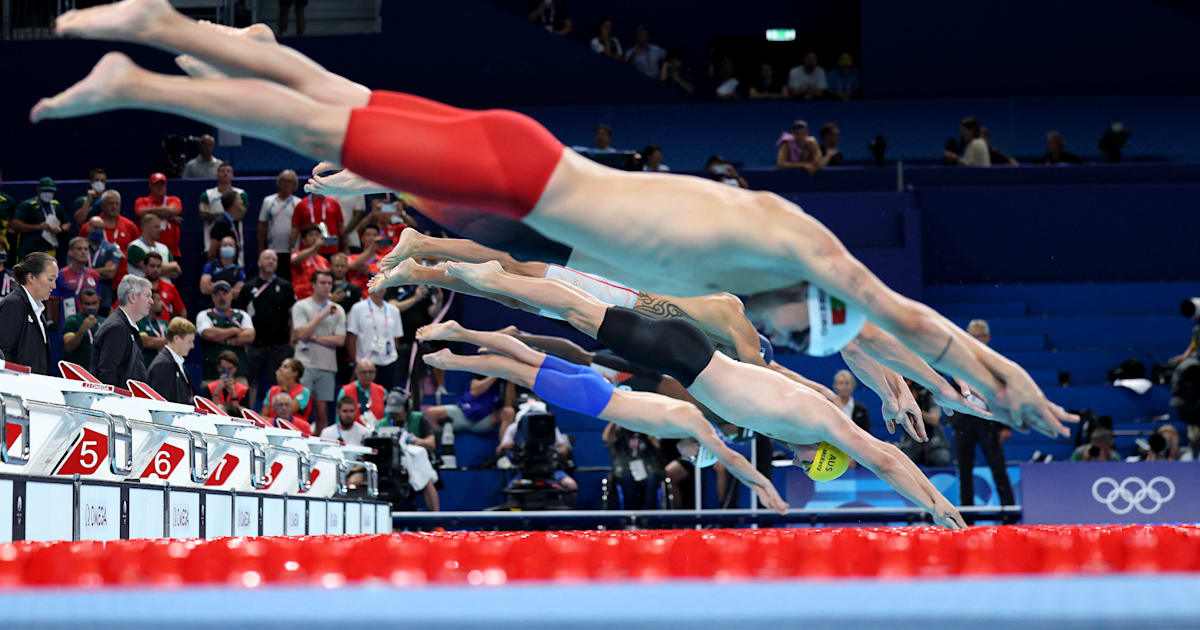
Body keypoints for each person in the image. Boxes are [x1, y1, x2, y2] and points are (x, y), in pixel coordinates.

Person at [39, 0, 1074, 438]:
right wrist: (1005, 387)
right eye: (802, 331)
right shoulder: (794, 248)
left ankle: (255, 49)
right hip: (526, 175)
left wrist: (917, 381)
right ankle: (148, 57)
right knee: (311, 120)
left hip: (524, 216)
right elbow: (909, 321)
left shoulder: (762, 288)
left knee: (336, 101)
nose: (784, 338)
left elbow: (886, 338)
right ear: (806, 300)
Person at [418, 261, 965, 526]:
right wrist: (935, 505)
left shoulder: (802, 419)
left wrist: (893, 400)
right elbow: (884, 458)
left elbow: (877, 431)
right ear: (820, 454)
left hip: (686, 354)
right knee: (574, 309)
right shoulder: (821, 423)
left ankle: (491, 282)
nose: (796, 464)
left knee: (575, 314)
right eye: (806, 465)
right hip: (682, 355)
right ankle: (490, 277)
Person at [420, 321, 792, 514]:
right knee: (513, 369)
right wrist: (764, 485)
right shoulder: (694, 423)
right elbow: (731, 457)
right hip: (595, 399)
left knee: (528, 357)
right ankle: (454, 359)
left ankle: (461, 332)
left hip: (597, 385)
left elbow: (726, 450)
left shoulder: (687, 414)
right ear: (698, 447)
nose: (688, 457)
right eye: (695, 457)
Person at [950, 319, 1014, 508]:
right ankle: (967, 514)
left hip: (988, 422)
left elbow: (1004, 394)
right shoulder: (957, 359)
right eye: (972, 336)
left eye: (980, 336)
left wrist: (1006, 425)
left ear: (988, 337)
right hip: (964, 421)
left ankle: (1009, 512)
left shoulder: (996, 362)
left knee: (998, 467)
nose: (976, 340)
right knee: (964, 470)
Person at [234, 249, 294, 408]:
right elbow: (240, 316)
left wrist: (293, 339)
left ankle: (278, 416)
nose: (271, 261)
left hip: (280, 345)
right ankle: (247, 414)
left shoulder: (285, 286)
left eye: (274, 259)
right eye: (267, 258)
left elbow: (291, 314)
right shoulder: (248, 287)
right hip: (254, 345)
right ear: (259, 262)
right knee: (250, 383)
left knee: (281, 383)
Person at [291, 270, 346, 432]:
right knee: (299, 409)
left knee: (322, 413)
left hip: (327, 365)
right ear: (313, 285)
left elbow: (340, 340)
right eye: (322, 283)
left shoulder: (338, 309)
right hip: (303, 364)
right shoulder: (301, 306)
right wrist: (322, 315)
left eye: (329, 283)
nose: (326, 286)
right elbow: (301, 334)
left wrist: (314, 338)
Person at [378, 389, 440, 511]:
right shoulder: (381, 424)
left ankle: (437, 518)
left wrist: (418, 441)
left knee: (426, 476)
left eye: (397, 411)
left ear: (406, 407)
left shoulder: (419, 418)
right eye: (391, 411)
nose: (394, 415)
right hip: (391, 462)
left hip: (417, 462)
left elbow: (432, 443)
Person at [0, 252, 58, 374]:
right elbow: (3, 353)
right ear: (31, 277)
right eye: (50, 279)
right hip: (16, 384)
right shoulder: (14, 304)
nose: (54, 286)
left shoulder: (38, 311)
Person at [91, 274, 152, 387]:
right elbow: (108, 375)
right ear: (132, 297)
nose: (151, 301)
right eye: (147, 296)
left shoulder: (125, 326)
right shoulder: (117, 328)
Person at [195, 279, 255, 381]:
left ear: (232, 295)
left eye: (225, 293)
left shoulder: (242, 315)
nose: (221, 297)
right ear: (213, 297)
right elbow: (208, 334)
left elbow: (250, 336)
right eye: (217, 294)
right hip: (212, 373)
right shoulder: (204, 314)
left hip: (239, 373)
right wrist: (234, 331)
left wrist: (221, 337)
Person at [345, 289, 404, 389]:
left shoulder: (393, 310)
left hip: (389, 362)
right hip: (366, 364)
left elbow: (396, 338)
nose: (380, 289)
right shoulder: (358, 308)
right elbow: (351, 338)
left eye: (383, 286)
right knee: (365, 396)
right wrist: (356, 363)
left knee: (389, 396)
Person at [602, 421, 667, 509]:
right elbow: (606, 438)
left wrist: (648, 430)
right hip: (625, 468)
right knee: (626, 478)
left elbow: (658, 446)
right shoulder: (619, 431)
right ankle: (631, 513)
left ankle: (649, 513)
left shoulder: (647, 429)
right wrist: (615, 419)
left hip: (648, 469)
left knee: (653, 479)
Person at [11, 177, 70, 260]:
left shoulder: (56, 205)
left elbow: (67, 223)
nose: (48, 193)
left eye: (51, 191)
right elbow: (15, 224)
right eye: (45, 190)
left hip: (50, 249)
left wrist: (60, 229)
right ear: (38, 190)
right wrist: (37, 227)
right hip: (29, 250)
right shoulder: (28, 205)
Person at [257, 168, 299, 280]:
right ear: (279, 182)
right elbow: (262, 227)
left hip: (293, 252)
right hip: (273, 251)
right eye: (284, 180)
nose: (286, 183)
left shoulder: (298, 203)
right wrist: (261, 250)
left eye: (290, 181)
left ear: (294, 185)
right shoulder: (268, 201)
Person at [899, 380, 952, 466]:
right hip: (911, 444)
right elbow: (894, 424)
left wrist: (916, 410)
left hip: (933, 441)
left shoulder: (929, 396)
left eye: (911, 391)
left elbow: (935, 420)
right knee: (902, 460)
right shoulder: (901, 400)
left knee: (942, 458)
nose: (909, 395)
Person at [198, 162, 247, 252]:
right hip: (212, 239)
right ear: (217, 175)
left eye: (228, 171)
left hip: (234, 238)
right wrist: (226, 216)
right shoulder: (207, 194)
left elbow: (240, 215)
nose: (225, 173)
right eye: (222, 171)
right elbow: (204, 215)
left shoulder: (241, 194)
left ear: (233, 175)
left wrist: (215, 216)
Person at [147, 316, 197, 404]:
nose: (192, 346)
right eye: (189, 341)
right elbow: (161, 404)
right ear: (176, 338)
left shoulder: (175, 362)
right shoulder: (163, 365)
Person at [133, 172, 183, 257]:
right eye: (156, 185)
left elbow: (173, 210)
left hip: (171, 251)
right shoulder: (142, 201)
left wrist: (150, 212)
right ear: (150, 186)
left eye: (162, 184)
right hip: (148, 251)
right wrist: (169, 217)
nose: (160, 187)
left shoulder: (173, 200)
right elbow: (140, 213)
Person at [126, 211, 181, 279]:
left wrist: (170, 268)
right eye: (156, 227)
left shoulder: (164, 248)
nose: (160, 230)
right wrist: (171, 266)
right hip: (141, 285)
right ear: (145, 228)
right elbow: (148, 270)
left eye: (160, 227)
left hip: (165, 285)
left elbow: (175, 273)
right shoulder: (134, 247)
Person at [82, 216, 121, 311]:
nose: (99, 231)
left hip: (104, 297)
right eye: (96, 228)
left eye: (101, 229)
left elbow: (111, 273)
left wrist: (86, 271)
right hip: (82, 294)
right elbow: (75, 270)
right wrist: (103, 270)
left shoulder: (111, 248)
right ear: (88, 228)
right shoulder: (79, 246)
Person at [53, 237, 102, 310]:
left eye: (86, 249)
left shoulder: (94, 275)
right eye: (79, 249)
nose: (83, 252)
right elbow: (53, 302)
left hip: (89, 316)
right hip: (67, 316)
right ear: (70, 252)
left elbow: (97, 300)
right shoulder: (61, 274)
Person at [62, 287, 104, 368]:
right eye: (87, 304)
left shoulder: (105, 322)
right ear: (80, 304)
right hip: (78, 370)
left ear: (99, 302)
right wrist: (82, 329)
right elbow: (68, 347)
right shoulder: (72, 321)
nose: (91, 307)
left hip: (99, 370)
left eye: (94, 303)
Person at [291, 192, 343, 258]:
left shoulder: (334, 203)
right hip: (308, 250)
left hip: (331, 248)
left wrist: (345, 247)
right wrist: (292, 246)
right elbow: (295, 227)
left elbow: (340, 226)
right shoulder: (302, 204)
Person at [337, 358, 386, 426]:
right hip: (352, 430)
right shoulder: (345, 391)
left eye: (370, 372)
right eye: (364, 372)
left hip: (378, 430)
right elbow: (338, 418)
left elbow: (387, 417)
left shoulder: (382, 391)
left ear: (375, 373)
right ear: (356, 373)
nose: (367, 375)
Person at [264, 357, 312, 425]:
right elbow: (264, 415)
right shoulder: (272, 390)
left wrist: (283, 387)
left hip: (295, 427)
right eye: (281, 366)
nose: (280, 369)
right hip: (273, 426)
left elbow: (285, 413)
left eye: (285, 367)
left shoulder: (304, 391)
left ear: (295, 373)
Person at [208, 187, 248, 265]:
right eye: (239, 199)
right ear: (234, 203)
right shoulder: (221, 223)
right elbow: (212, 253)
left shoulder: (233, 221)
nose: (242, 201)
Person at [200, 235, 245, 303]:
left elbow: (238, 293)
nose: (227, 247)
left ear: (235, 250)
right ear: (220, 249)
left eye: (230, 245)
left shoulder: (239, 270)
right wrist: (228, 290)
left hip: (231, 306)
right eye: (225, 245)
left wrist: (215, 286)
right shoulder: (210, 265)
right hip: (210, 304)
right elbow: (204, 288)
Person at [141, 252, 185, 321]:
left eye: (158, 266)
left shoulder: (170, 287)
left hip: (165, 327)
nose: (155, 269)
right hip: (141, 326)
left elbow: (182, 312)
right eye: (152, 266)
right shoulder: (137, 286)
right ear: (144, 267)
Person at [290, 225, 328, 300]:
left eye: (317, 235)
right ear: (303, 240)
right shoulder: (296, 254)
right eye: (311, 235)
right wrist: (315, 247)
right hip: (302, 297)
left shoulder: (324, 260)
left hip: (320, 297)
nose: (314, 237)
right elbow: (294, 261)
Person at [135, 288, 169, 365]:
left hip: (164, 367)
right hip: (145, 367)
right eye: (159, 300)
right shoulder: (138, 322)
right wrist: (171, 341)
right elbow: (146, 342)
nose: (162, 303)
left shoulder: (165, 324)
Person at [833, 369, 871, 433]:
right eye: (841, 383)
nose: (844, 386)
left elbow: (867, 433)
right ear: (835, 386)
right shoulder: (830, 406)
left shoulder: (862, 410)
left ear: (853, 386)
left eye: (847, 383)